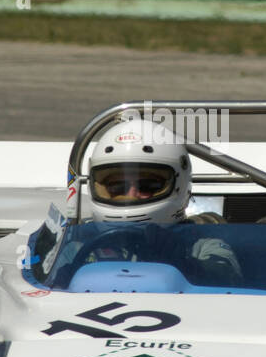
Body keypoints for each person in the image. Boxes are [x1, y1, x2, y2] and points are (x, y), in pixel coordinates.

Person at [86, 118, 242, 282]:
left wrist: (181, 263)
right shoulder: (78, 243)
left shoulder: (202, 246)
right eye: (117, 187)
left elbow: (227, 279)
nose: (131, 194)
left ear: (179, 186)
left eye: (147, 186)